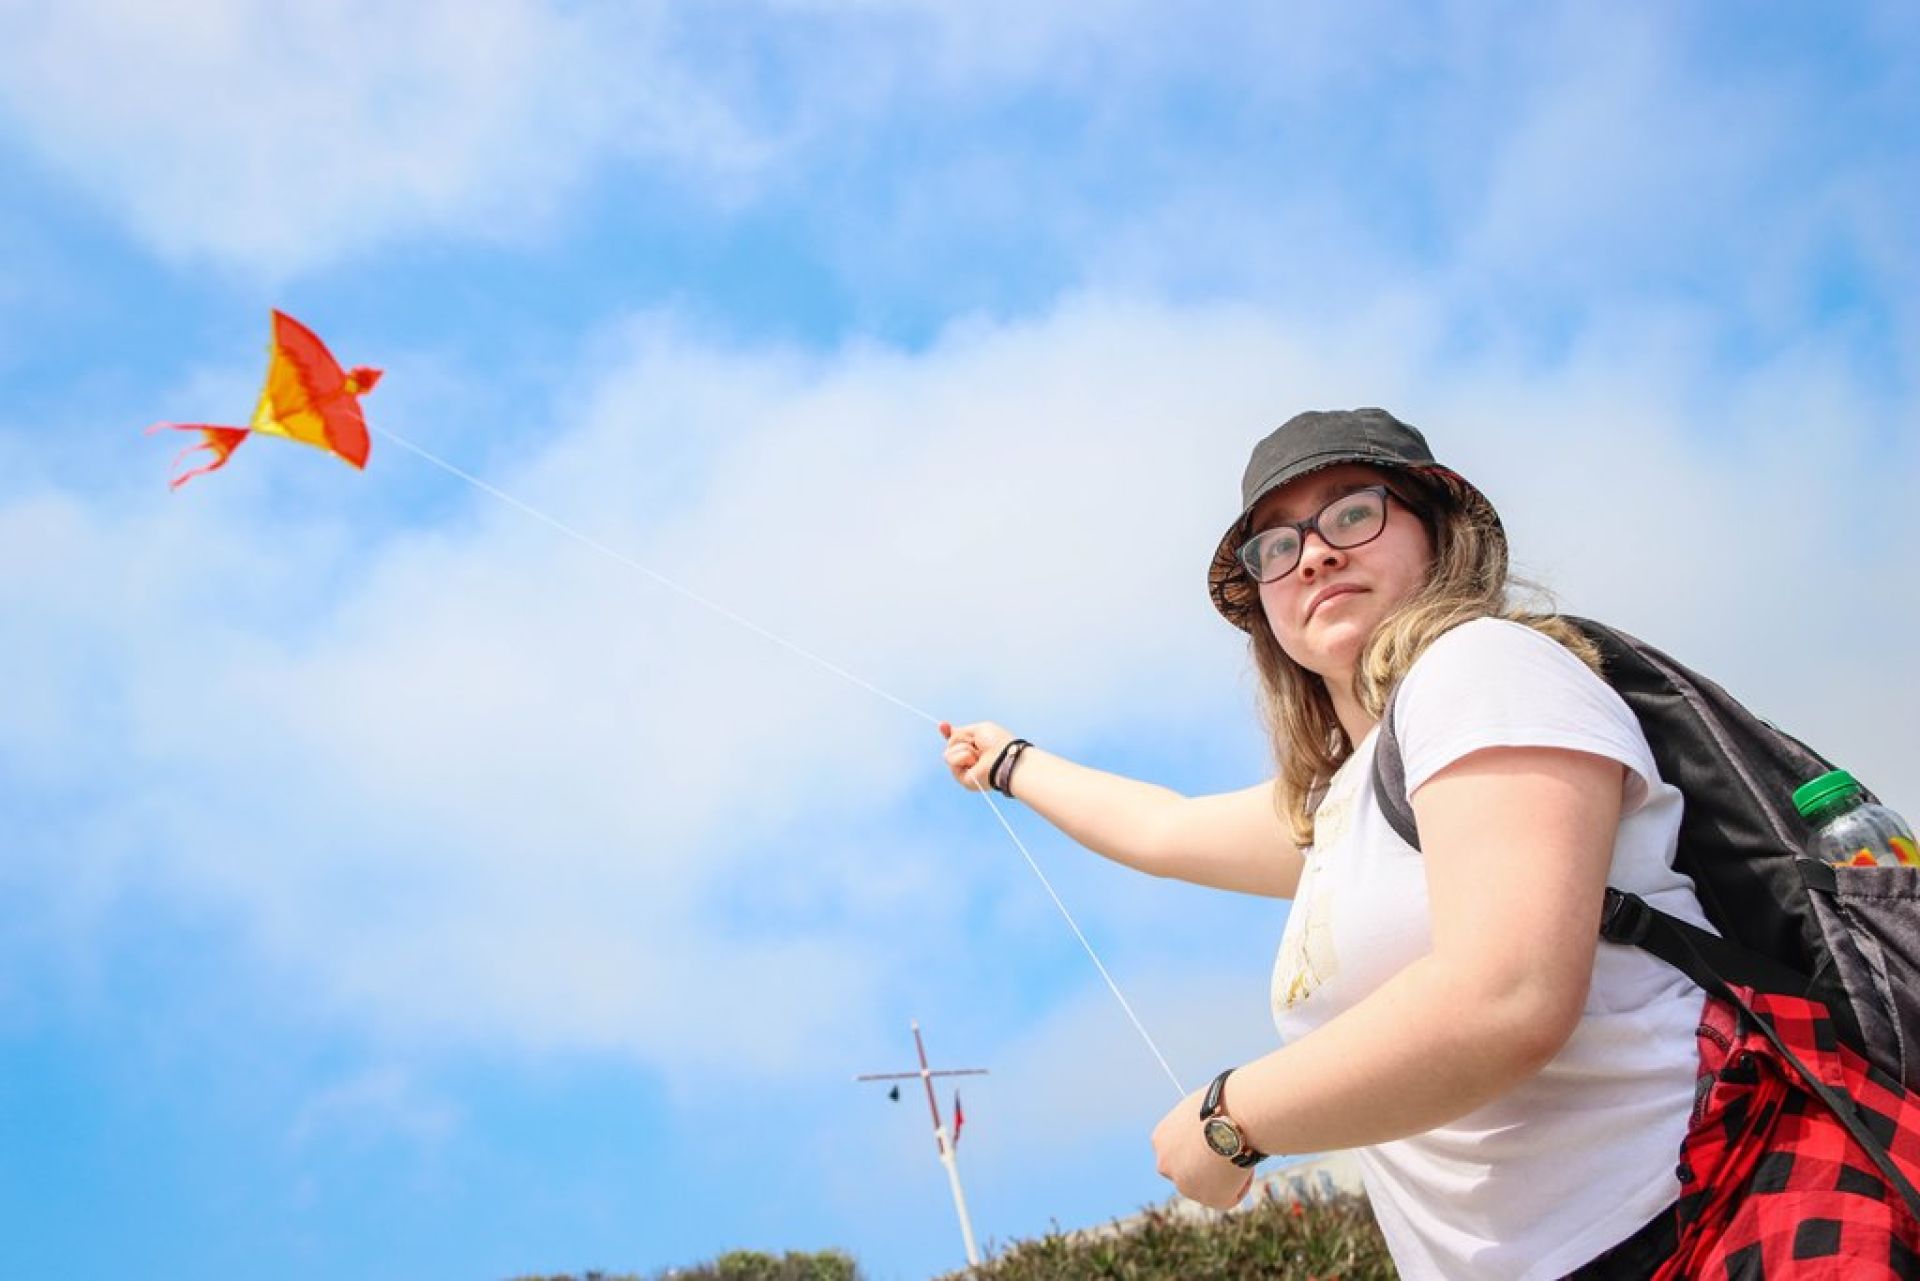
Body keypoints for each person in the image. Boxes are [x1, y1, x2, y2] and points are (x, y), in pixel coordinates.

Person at [940, 408, 1713, 1280]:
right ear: (1265, 602)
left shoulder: (1483, 668)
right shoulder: (1348, 799)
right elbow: (1163, 825)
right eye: (1276, 546)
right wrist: (1009, 761)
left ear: (1440, 536)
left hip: (1682, 1226)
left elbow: (1509, 992)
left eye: (1352, 514)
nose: (1314, 553)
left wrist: (1229, 1119)